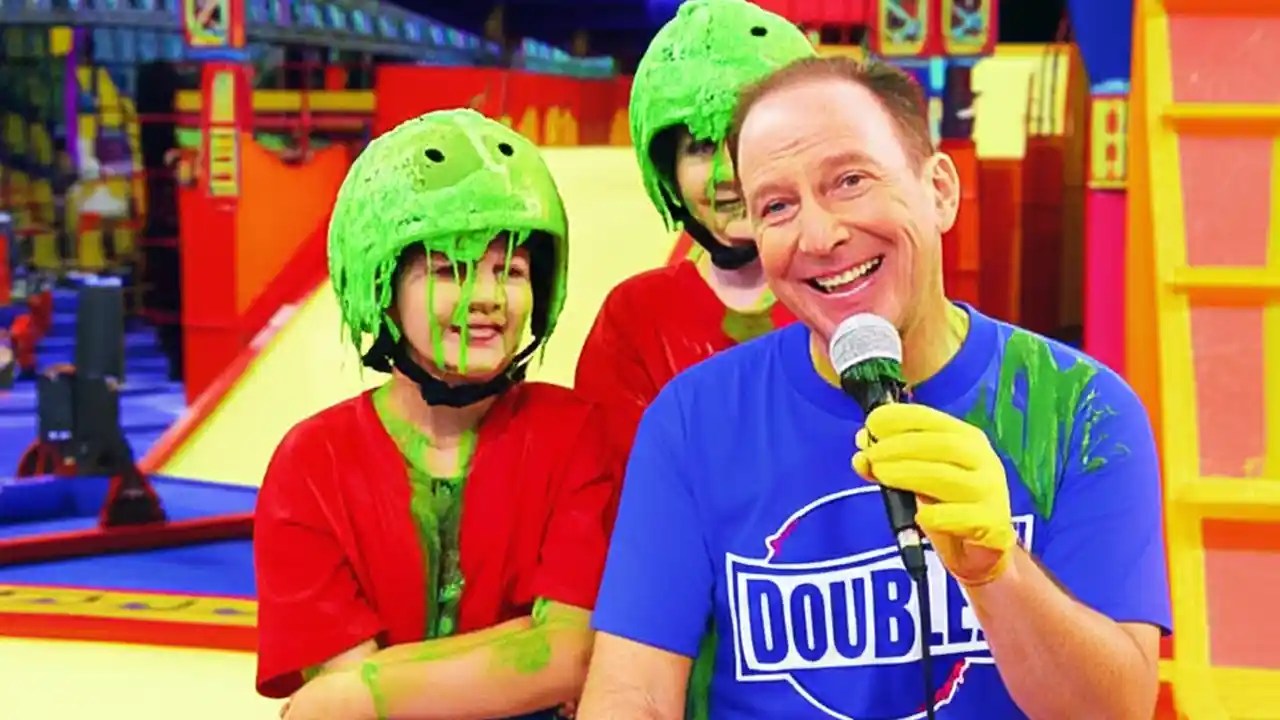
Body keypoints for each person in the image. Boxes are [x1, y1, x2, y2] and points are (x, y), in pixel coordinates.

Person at [577, 57, 1169, 719]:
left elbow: (1116, 710)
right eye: (776, 206)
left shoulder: (1081, 408)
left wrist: (996, 570)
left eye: (850, 181)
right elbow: (632, 694)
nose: (820, 235)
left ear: (939, 190)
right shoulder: (693, 421)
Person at [254, 109, 620, 720]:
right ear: (379, 285)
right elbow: (339, 689)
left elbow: (572, 654)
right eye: (450, 271)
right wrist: (525, 641)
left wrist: (364, 689)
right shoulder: (312, 464)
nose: (488, 298)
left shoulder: (575, 433)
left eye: (511, 271)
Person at [574, 0, 815, 458]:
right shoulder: (634, 319)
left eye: (745, 139)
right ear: (669, 173)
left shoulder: (854, 290)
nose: (729, 172)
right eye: (701, 148)